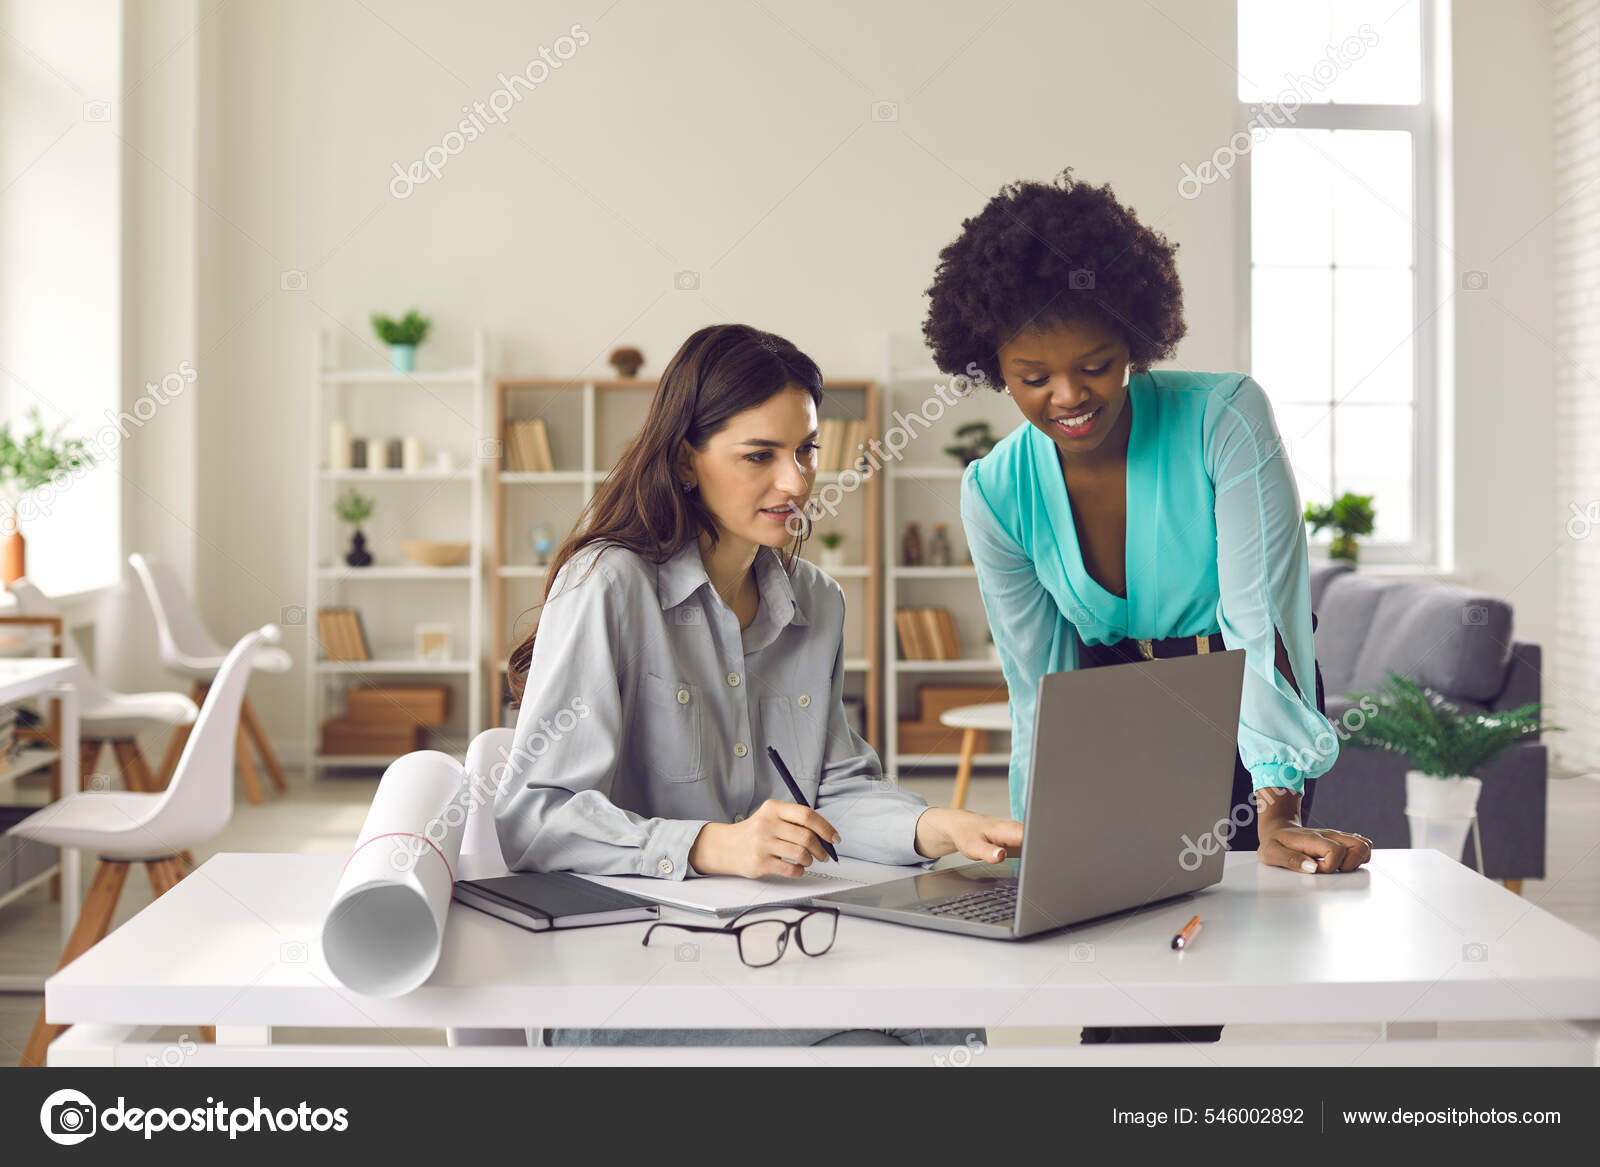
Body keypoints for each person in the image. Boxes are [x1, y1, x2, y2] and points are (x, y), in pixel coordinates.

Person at [924, 168, 1372, 1044]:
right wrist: (1041, 837)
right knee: (1118, 961)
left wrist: (1276, 808)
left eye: (1095, 365)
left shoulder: (1225, 417)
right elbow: (1038, 681)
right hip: (1115, 701)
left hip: (1240, 680)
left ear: (1134, 337)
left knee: (1207, 961)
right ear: (990, 367)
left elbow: (1260, 618)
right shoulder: (995, 490)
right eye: (1031, 377)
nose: (1068, 397)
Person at [496, 322, 1022, 1048]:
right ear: (686, 459)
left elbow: (832, 790)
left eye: (806, 448)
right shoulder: (609, 585)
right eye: (760, 456)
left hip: (775, 943)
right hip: (628, 973)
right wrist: (710, 844)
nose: (797, 480)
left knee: (952, 1017)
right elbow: (534, 816)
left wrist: (937, 828)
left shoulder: (819, 602)